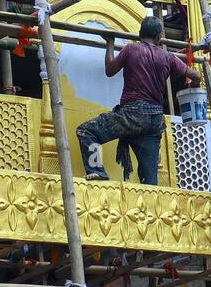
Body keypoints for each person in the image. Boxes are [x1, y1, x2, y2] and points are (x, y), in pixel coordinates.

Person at [78, 17, 201, 184]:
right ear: (158, 37)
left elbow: (109, 70)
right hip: (155, 121)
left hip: (133, 115)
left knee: (87, 131)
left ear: (140, 34)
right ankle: (151, 205)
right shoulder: (168, 57)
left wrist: (110, 44)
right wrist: (192, 92)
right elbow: (196, 75)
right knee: (150, 180)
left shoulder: (131, 50)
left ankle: (96, 170)